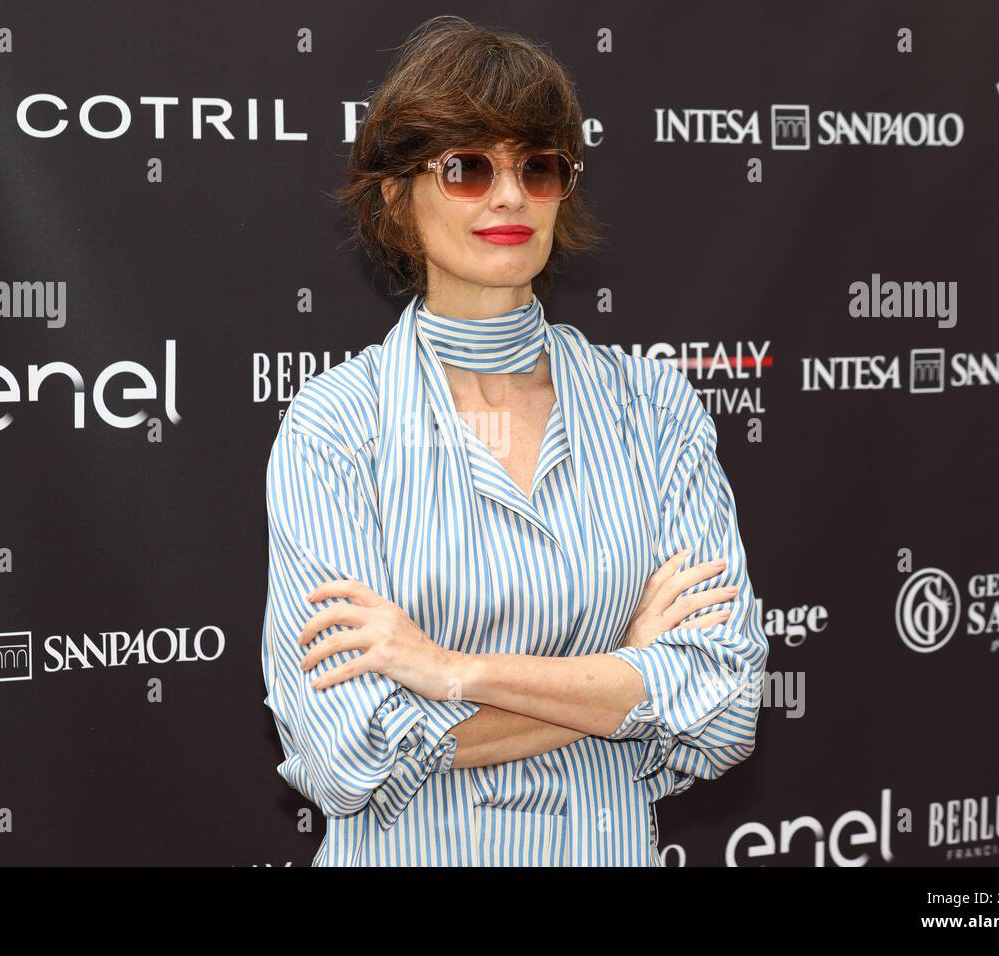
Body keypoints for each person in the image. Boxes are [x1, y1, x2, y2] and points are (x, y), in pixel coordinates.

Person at [260, 15, 769, 866]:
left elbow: (721, 706)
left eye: (538, 167)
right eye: (466, 168)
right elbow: (345, 752)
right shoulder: (337, 425)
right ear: (396, 197)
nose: (508, 196)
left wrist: (450, 671)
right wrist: (630, 670)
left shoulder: (652, 406)